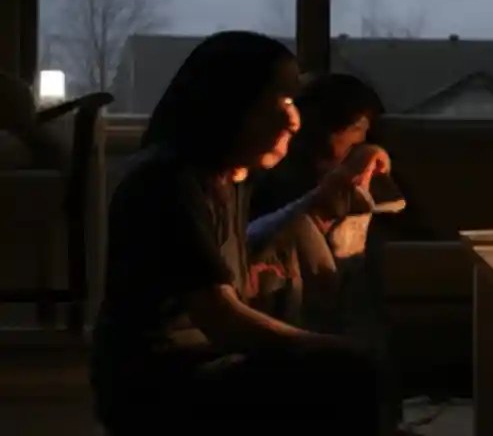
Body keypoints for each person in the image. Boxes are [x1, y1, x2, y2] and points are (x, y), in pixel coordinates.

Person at [89, 31, 383, 435]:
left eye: (293, 101)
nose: (292, 119)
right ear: (229, 104)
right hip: (159, 383)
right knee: (346, 371)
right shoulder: (168, 183)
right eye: (278, 101)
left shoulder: (229, 178)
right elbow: (221, 317)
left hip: (201, 359)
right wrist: (323, 348)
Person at [250, 72, 405, 428]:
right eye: (351, 128)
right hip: (291, 288)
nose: (357, 138)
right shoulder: (280, 173)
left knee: (366, 301)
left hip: (350, 279)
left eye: (362, 129)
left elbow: (400, 212)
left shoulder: (367, 162)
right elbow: (268, 235)